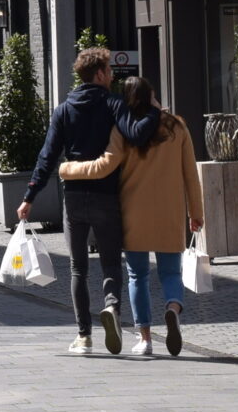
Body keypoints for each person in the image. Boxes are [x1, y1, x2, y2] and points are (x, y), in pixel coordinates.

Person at [58, 77, 201, 357]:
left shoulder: (122, 129)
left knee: (137, 275)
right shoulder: (178, 127)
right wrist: (195, 214)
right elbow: (191, 176)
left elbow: (104, 166)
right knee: (171, 272)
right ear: (153, 97)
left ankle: (145, 338)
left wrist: (67, 170)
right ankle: (172, 308)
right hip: (169, 213)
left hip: (133, 211)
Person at [20, 46, 127, 356]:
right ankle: (112, 309)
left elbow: (47, 155)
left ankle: (84, 336)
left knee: (78, 269)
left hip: (75, 197)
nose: (111, 75)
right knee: (110, 263)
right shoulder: (113, 103)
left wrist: (30, 195)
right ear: (99, 74)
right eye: (108, 70)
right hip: (106, 194)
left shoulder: (64, 109)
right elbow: (132, 136)